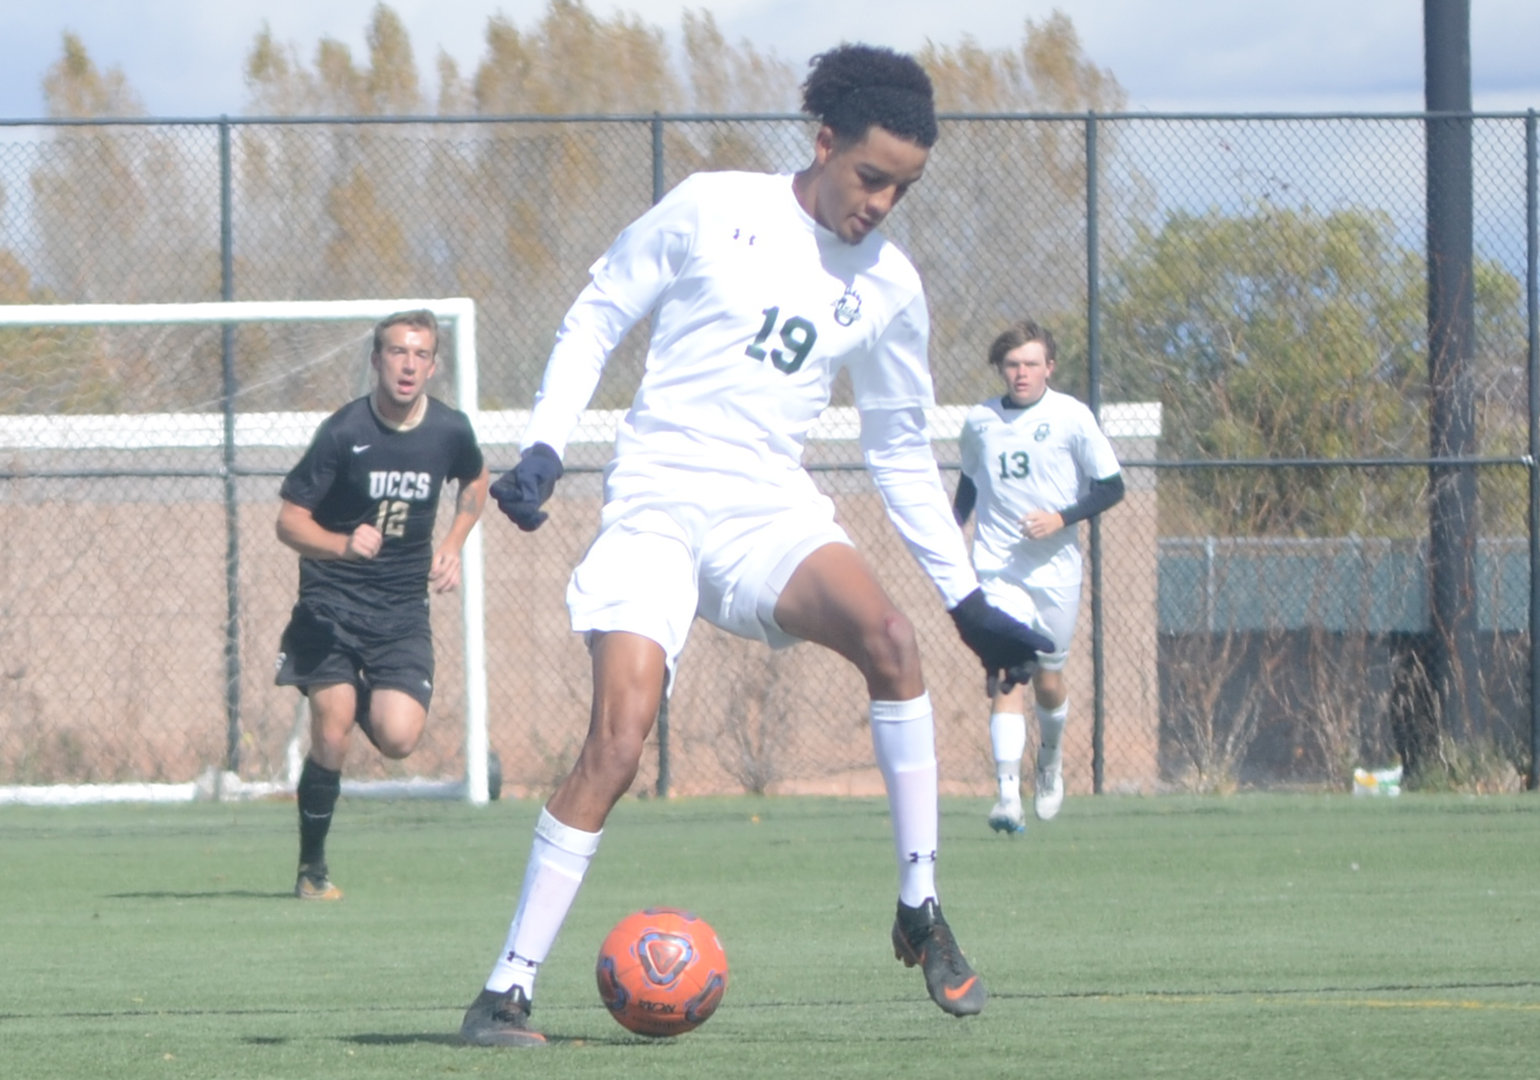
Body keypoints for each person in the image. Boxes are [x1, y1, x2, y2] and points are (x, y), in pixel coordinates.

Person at [461, 44, 1051, 1047]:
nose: (881, 203)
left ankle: (920, 906)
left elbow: (900, 453)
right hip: (656, 501)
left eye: (903, 189)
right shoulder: (712, 206)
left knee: (895, 644)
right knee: (620, 735)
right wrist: (546, 446)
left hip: (767, 508)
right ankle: (505, 990)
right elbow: (600, 310)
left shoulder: (893, 290)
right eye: (871, 176)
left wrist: (966, 599)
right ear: (823, 144)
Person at [273, 308, 487, 900]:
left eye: (420, 355)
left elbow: (475, 479)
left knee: (398, 738)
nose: (408, 365)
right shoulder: (343, 433)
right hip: (332, 606)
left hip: (400, 613)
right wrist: (342, 544)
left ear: (434, 365)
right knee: (333, 726)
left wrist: (451, 544)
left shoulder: (448, 430)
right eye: (397, 352)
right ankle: (311, 869)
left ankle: (354, 692)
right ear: (376, 361)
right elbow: (288, 521)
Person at [954, 321, 1125, 834]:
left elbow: (1112, 487)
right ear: (1001, 370)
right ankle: (1007, 796)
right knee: (1009, 671)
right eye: (1012, 365)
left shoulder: (1072, 416)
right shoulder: (980, 420)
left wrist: (1060, 518)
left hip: (1053, 570)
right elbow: (967, 485)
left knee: (1048, 678)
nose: (1021, 373)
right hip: (997, 567)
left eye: (1030, 364)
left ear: (1049, 367)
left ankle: (1048, 761)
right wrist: (948, 537)